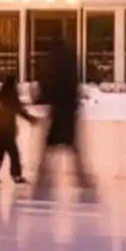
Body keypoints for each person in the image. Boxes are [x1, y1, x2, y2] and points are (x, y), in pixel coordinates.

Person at [30, 38, 94, 201]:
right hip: (68, 111)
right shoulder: (70, 64)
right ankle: (82, 181)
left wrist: (40, 97)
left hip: (59, 112)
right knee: (73, 147)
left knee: (49, 147)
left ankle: (44, 180)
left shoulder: (55, 64)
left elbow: (50, 86)